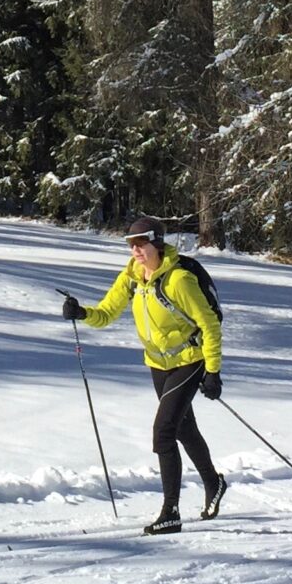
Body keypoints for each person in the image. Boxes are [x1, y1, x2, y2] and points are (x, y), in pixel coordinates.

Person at [62, 216, 225, 535]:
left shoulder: (179, 280)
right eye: (131, 244)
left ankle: (170, 512)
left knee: (164, 432)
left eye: (141, 243)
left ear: (157, 243)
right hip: (157, 363)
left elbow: (209, 325)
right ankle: (214, 483)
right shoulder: (132, 277)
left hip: (190, 360)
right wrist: (81, 313)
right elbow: (107, 313)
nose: (135, 250)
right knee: (184, 429)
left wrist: (213, 373)